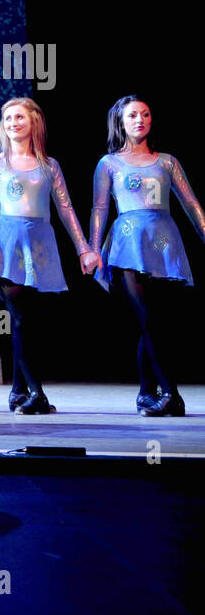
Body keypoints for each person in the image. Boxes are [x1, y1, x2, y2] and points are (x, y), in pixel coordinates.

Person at [0, 99, 101, 414]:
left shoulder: (49, 165)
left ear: (34, 122)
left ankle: (18, 391)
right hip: (8, 244)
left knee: (29, 323)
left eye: (19, 116)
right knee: (18, 319)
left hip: (42, 245)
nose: (13, 122)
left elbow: (66, 209)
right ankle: (36, 392)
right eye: (7, 118)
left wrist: (84, 248)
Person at [91, 95, 205, 417]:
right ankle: (171, 394)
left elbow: (191, 203)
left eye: (145, 114)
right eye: (132, 115)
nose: (139, 120)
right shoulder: (109, 163)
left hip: (164, 241)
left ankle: (145, 392)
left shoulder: (167, 161)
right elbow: (100, 207)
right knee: (149, 319)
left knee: (157, 323)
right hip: (128, 243)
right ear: (121, 122)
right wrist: (91, 248)